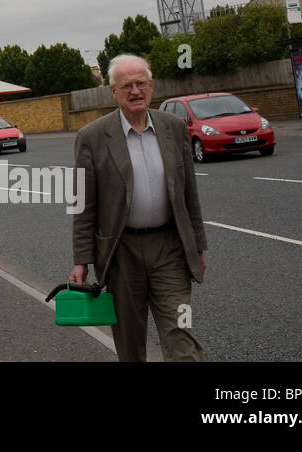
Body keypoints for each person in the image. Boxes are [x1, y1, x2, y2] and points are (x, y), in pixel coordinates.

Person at [70, 53, 206, 361]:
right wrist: (81, 260)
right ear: (113, 92)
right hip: (121, 252)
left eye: (141, 83)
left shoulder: (173, 127)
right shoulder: (91, 137)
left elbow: (189, 195)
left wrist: (197, 243)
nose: (135, 91)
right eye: (127, 85)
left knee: (181, 332)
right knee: (130, 344)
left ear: (152, 86)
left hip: (170, 248)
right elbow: (83, 204)